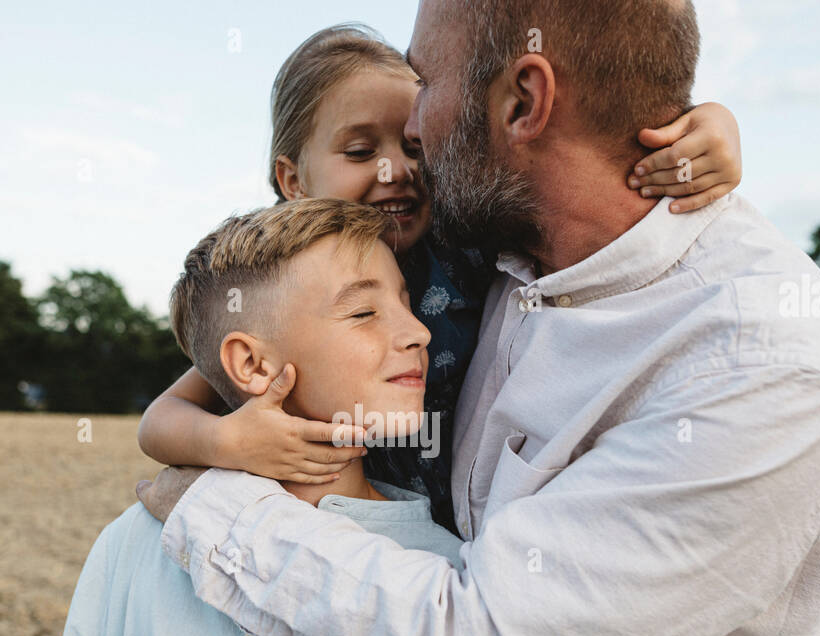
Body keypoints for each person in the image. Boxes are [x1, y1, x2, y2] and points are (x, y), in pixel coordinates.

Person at [138, 0, 820, 636]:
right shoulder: (503, 251)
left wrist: (214, 510)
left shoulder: (765, 370)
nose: (414, 136)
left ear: (524, 102)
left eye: (425, 85)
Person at [5, 199, 490, 636]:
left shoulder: (448, 592)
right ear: (253, 365)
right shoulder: (136, 541)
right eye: (363, 312)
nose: (417, 332)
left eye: (407, 303)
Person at [136, 23, 744, 536]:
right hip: (344, 530)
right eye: (359, 152)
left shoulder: (465, 241)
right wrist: (227, 443)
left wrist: (714, 124)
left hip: (464, 538)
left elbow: (583, 173)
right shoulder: (286, 294)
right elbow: (163, 418)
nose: (396, 170)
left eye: (413, 147)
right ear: (292, 180)